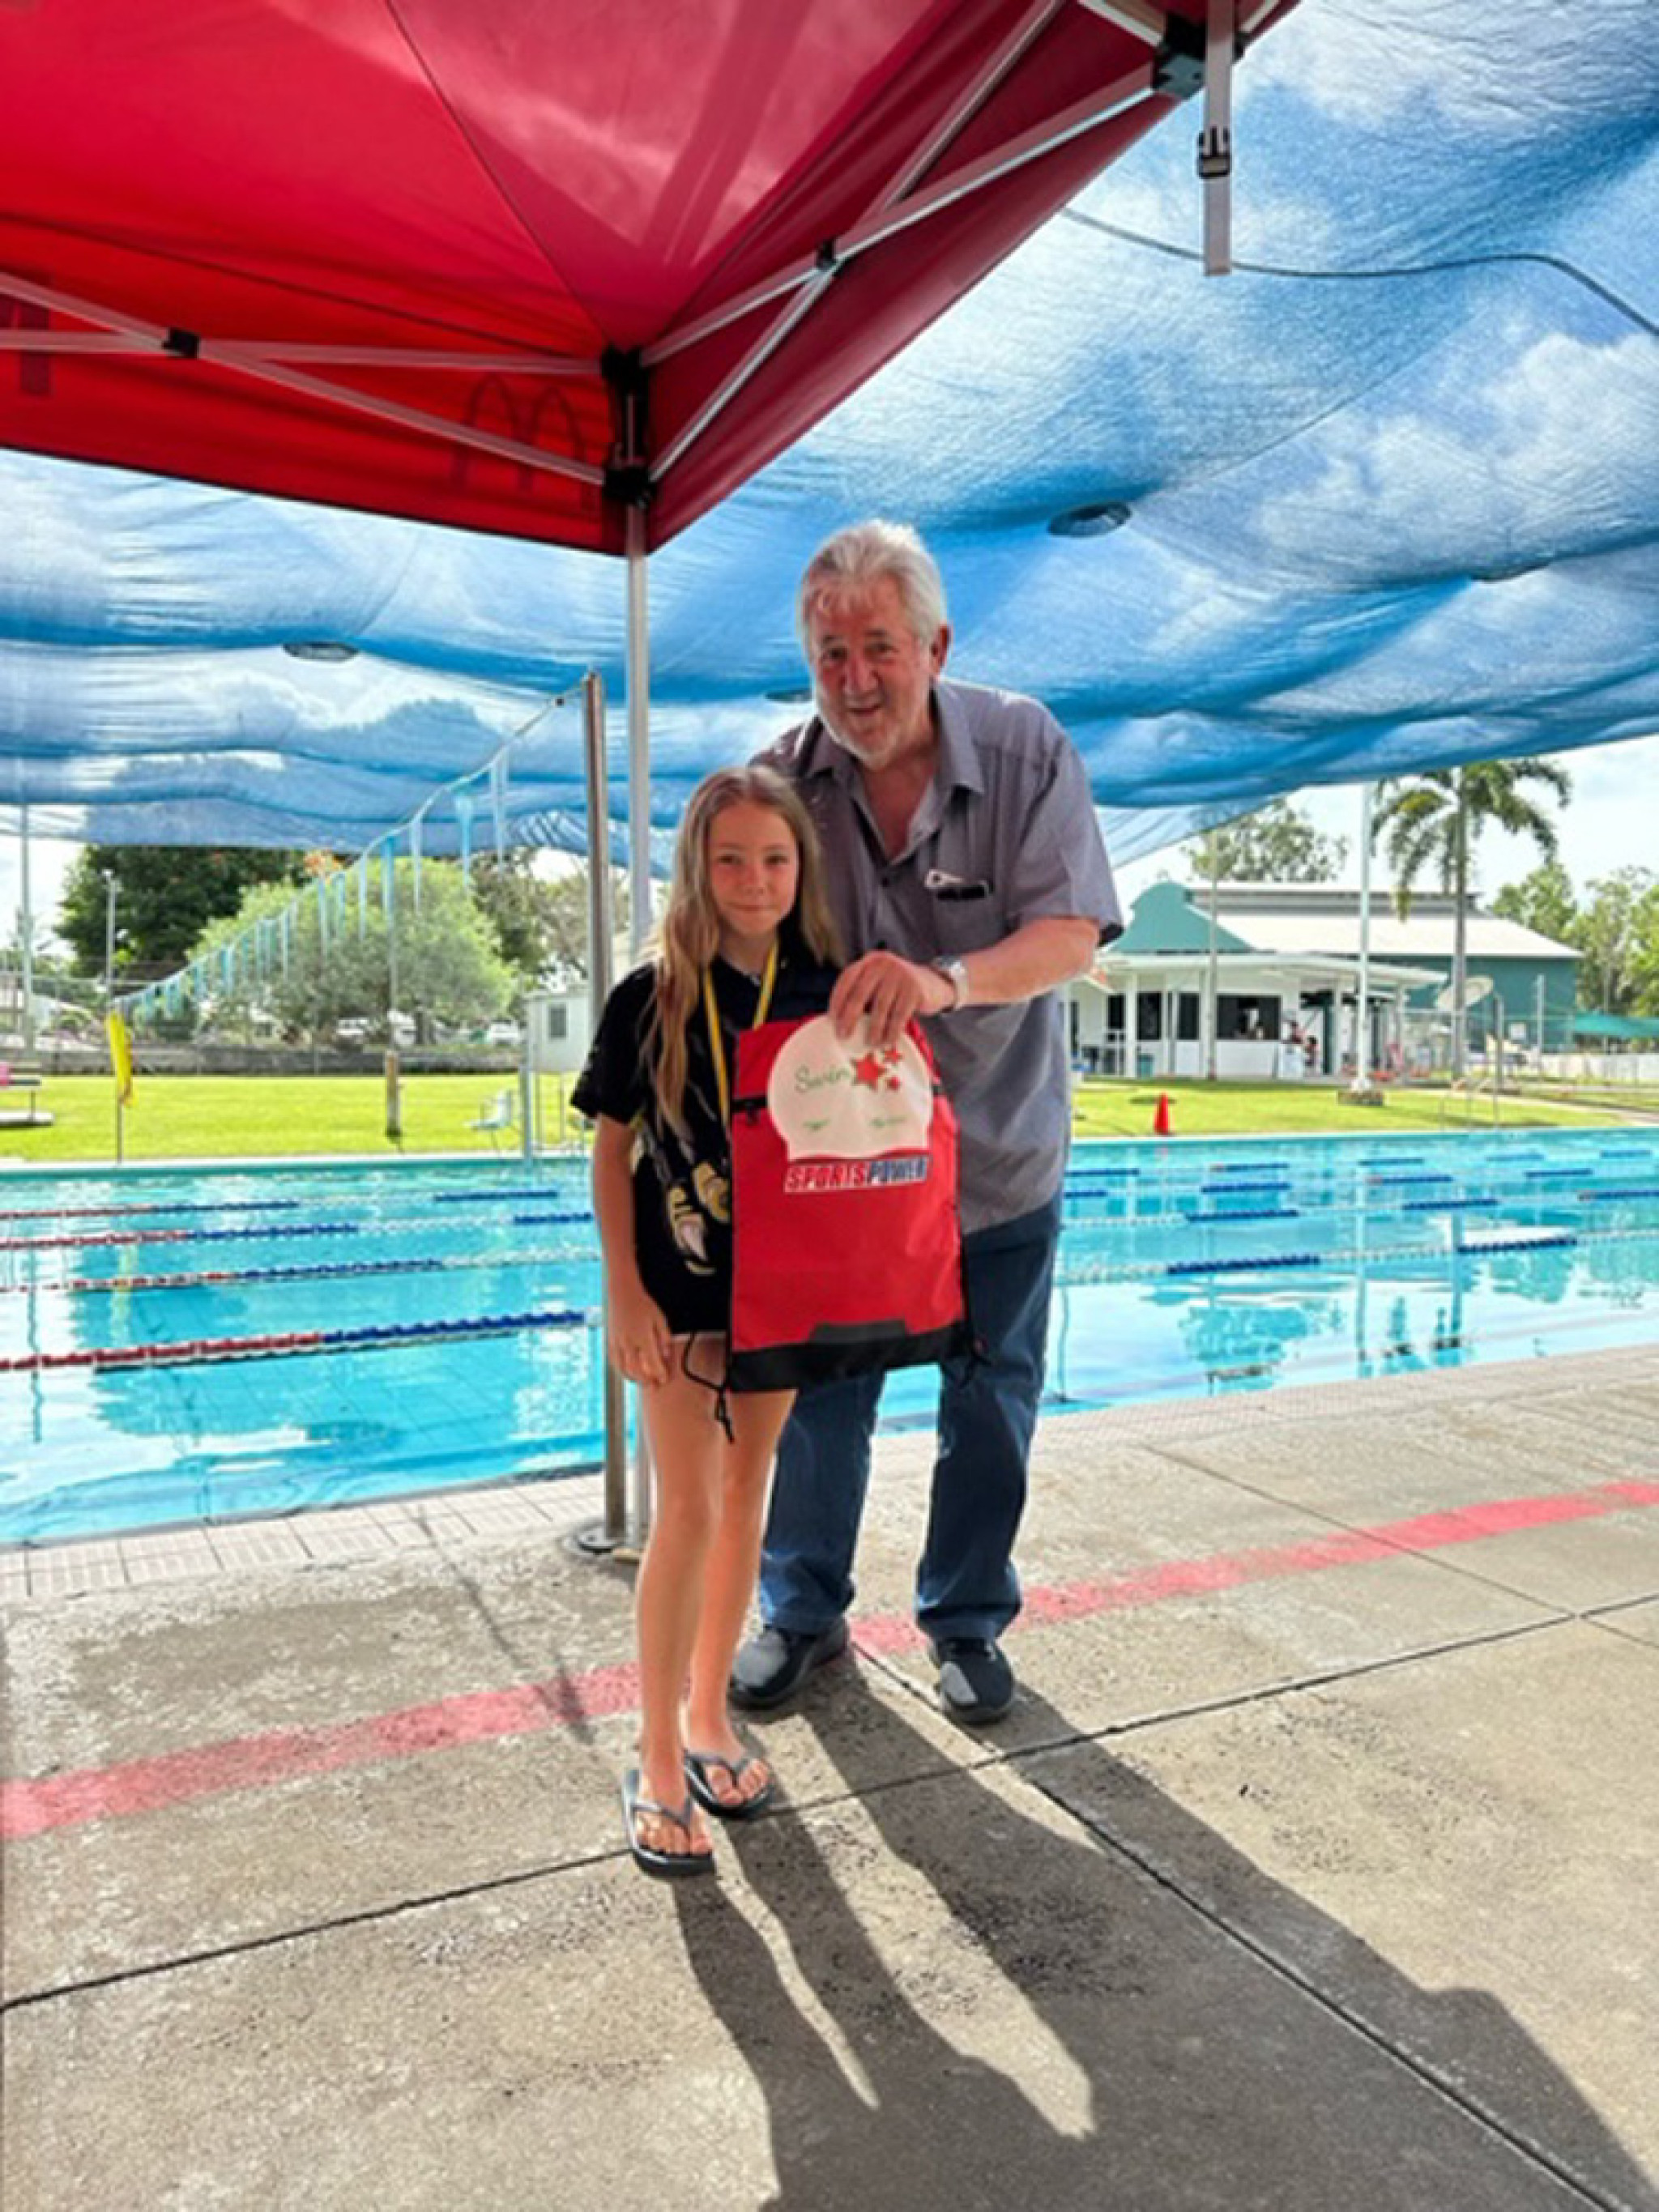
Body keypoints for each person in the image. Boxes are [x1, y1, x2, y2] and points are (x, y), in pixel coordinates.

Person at [731, 519, 1121, 1728]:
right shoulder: (783, 781)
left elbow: (1070, 934)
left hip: (998, 1149)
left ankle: (964, 1619)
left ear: (936, 645)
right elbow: (737, 944)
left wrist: (941, 978)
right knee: (820, 1395)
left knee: (991, 1396)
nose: (855, 680)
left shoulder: (1023, 747)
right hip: (847, 1171)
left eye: (880, 649)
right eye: (830, 652)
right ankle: (802, 1611)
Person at [573, 765, 841, 1877]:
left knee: (746, 1504)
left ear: (800, 869)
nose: (753, 880)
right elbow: (608, 1151)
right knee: (684, 1509)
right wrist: (624, 1293)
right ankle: (656, 1754)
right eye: (729, 859)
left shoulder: (821, 991)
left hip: (775, 1296)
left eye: (774, 859)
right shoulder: (652, 994)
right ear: (697, 866)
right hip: (677, 1301)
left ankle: (711, 1718)